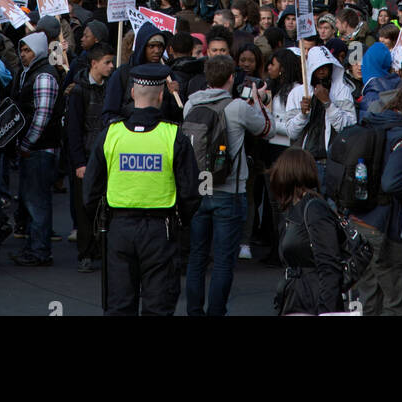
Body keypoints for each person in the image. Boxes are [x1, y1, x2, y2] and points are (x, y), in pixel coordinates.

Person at [84, 63, 200, 316]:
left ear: (133, 93)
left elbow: (90, 190)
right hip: (160, 229)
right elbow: (191, 192)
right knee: (158, 305)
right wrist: (180, 223)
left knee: (119, 305)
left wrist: (97, 224)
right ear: (161, 96)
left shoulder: (110, 135)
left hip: (119, 228)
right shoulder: (174, 136)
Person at [184, 53, 273, 315]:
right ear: (232, 78)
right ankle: (216, 312)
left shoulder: (190, 104)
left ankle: (194, 311)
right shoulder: (237, 107)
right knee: (223, 261)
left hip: (199, 189)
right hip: (229, 191)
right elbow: (266, 129)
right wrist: (258, 100)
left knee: (197, 258)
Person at [355, 78, 402, 317]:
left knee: (370, 298)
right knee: (397, 299)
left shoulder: (373, 123)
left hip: (358, 220)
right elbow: (392, 183)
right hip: (384, 226)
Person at [11, 31, 67, 267]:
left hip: (40, 149)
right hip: (35, 147)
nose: (24, 55)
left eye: (28, 50)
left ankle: (39, 251)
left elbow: (42, 115)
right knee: (33, 199)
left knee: (37, 201)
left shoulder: (43, 75)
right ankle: (35, 247)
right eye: (22, 50)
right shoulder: (31, 72)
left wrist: (27, 143)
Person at [272, 148, 346, 315]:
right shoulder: (294, 209)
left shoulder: (314, 209)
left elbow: (329, 266)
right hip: (297, 297)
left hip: (312, 300)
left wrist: (326, 311)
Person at [66, 41, 115, 271]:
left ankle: (99, 248)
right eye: (107, 62)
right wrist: (79, 162)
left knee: (103, 205)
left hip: (106, 157)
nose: (111, 66)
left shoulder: (111, 87)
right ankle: (85, 252)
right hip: (86, 157)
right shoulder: (79, 91)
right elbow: (73, 130)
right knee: (85, 206)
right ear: (94, 64)